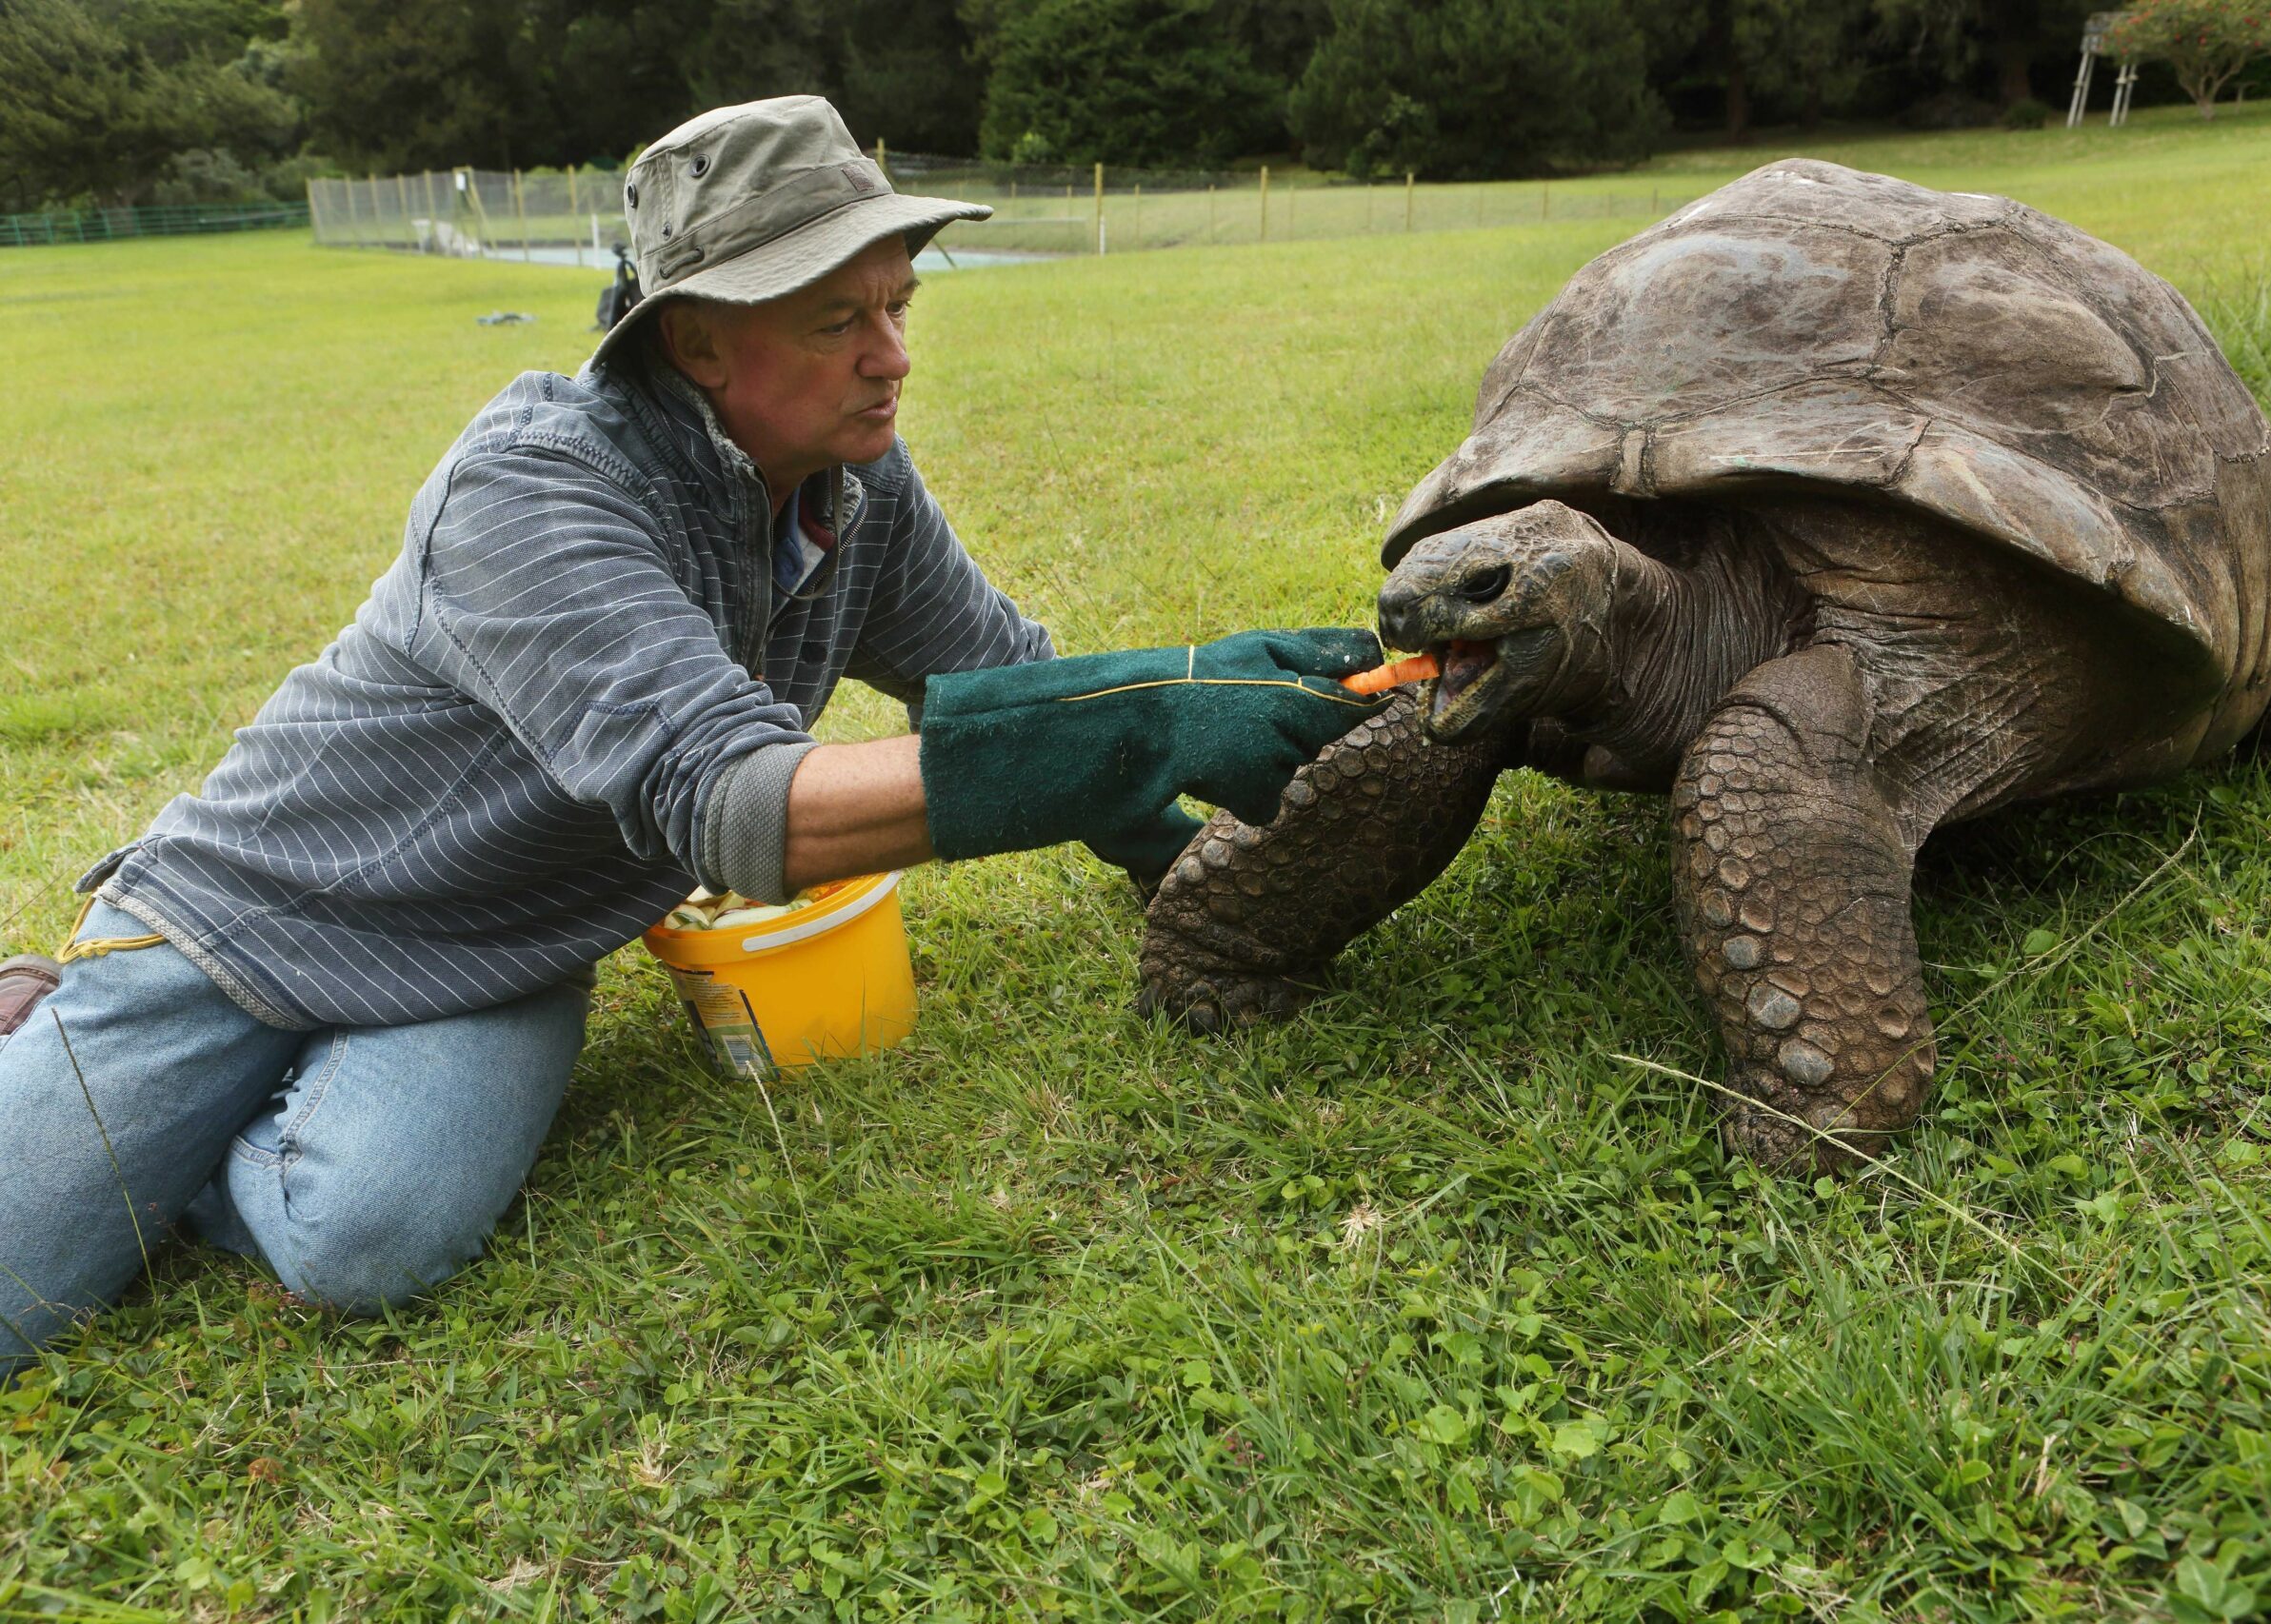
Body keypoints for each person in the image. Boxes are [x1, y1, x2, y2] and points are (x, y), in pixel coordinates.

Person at [0, 96, 1386, 1375]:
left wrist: (1210, 857)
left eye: (899, 305)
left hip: (498, 942)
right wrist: (1140, 724)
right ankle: (58, 1015)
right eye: (839, 317)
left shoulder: (854, 484)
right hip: (249, 921)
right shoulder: (533, 485)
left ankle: (183, 1144)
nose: (892, 357)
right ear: (697, 334)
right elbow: (733, 799)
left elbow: (1014, 675)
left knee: (366, 1242)